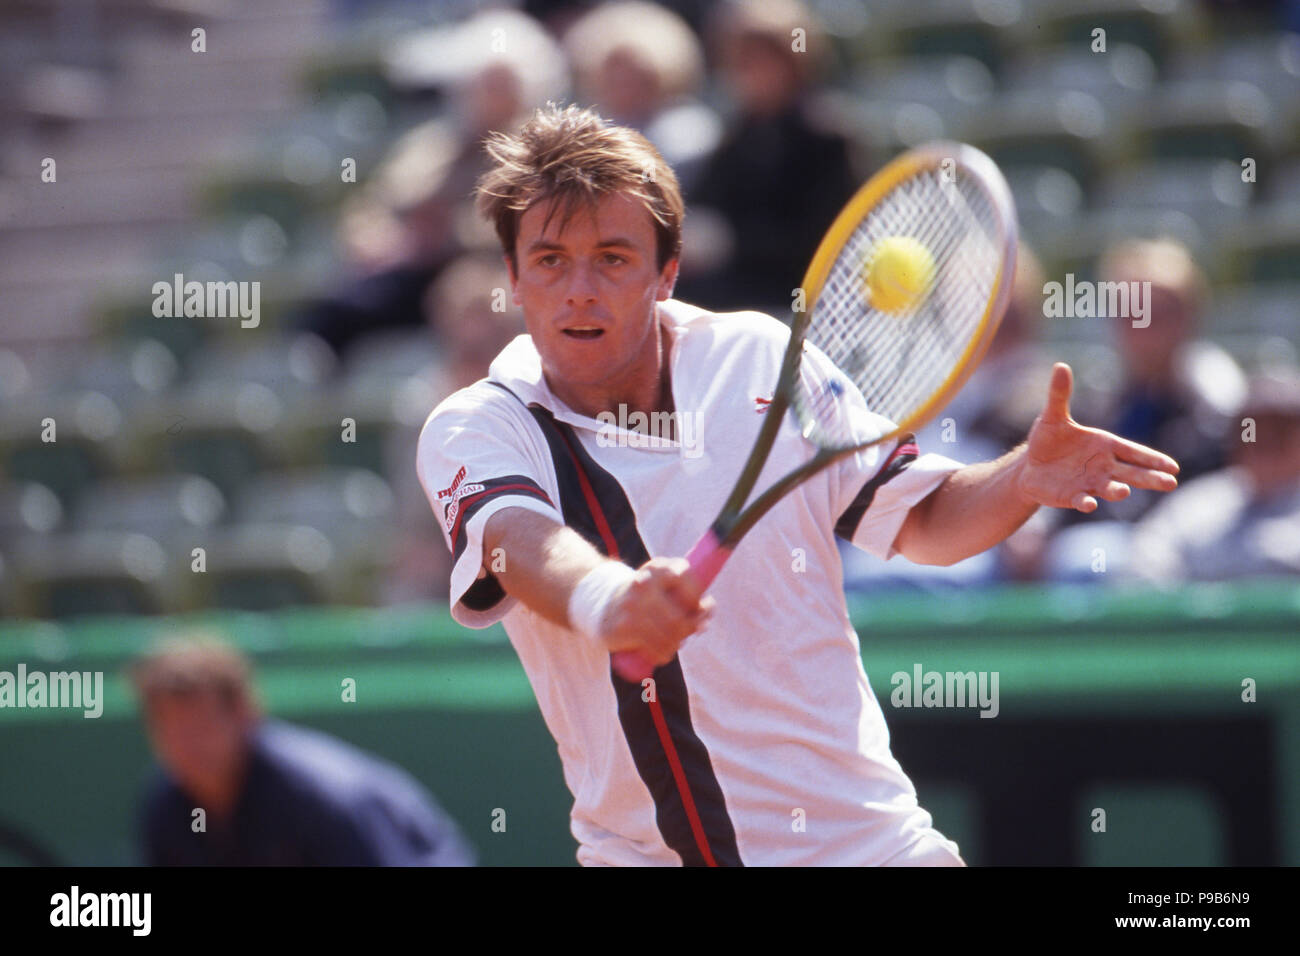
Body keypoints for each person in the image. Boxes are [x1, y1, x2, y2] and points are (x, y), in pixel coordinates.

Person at [415, 104, 1180, 866]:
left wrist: (1021, 478)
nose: (579, 289)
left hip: (871, 851)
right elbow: (518, 543)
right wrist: (609, 601)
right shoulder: (477, 425)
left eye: (613, 257)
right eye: (550, 260)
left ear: (667, 272)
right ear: (513, 277)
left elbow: (924, 521)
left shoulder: (759, 361)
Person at [132, 636, 475, 866]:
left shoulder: (323, 797)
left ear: (243, 713)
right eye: (171, 730)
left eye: (201, 728)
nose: (187, 746)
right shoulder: (166, 809)